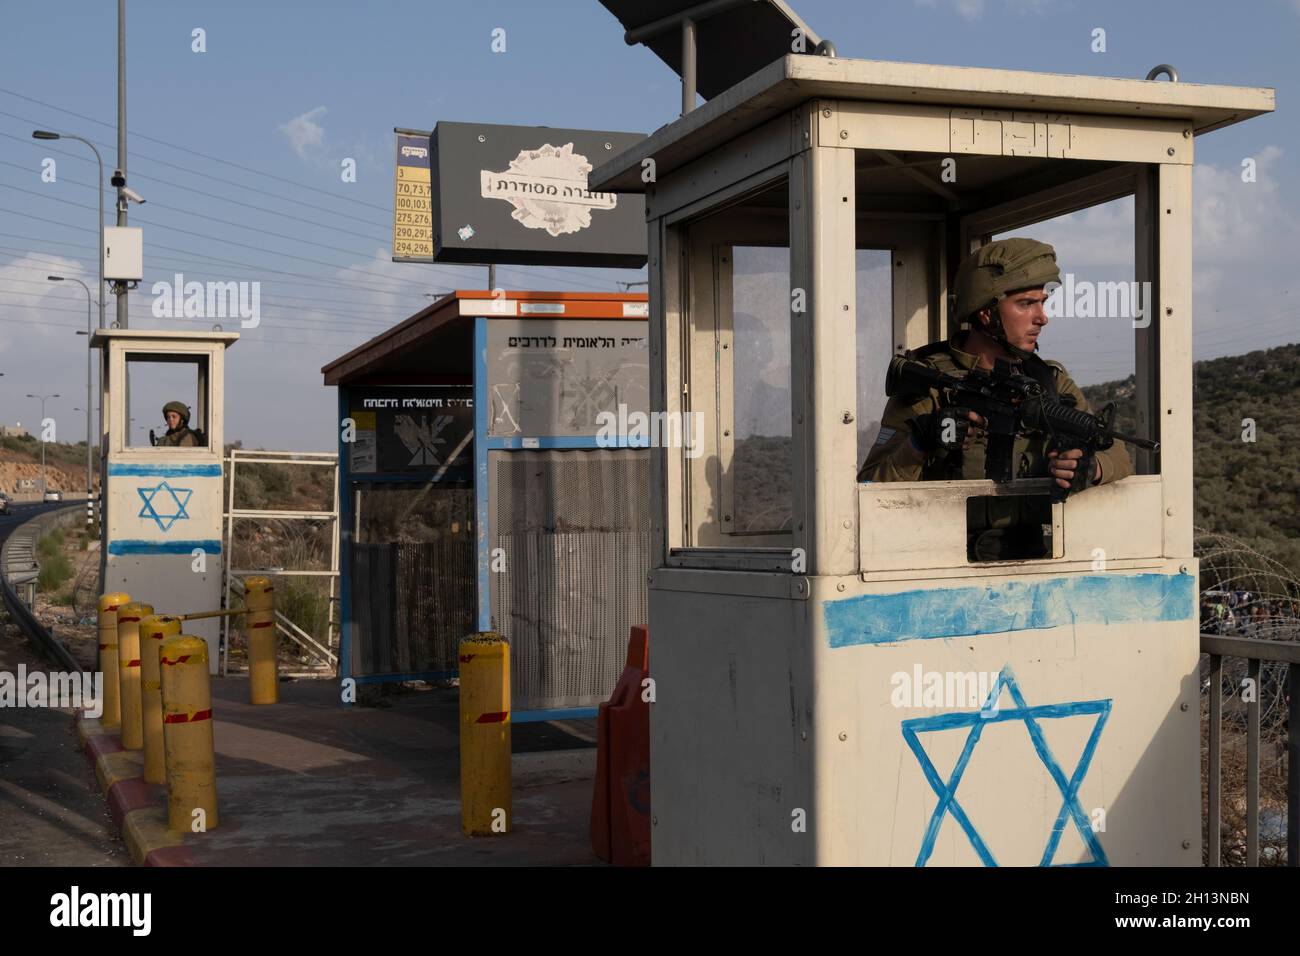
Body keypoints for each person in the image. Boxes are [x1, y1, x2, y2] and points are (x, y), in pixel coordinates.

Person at [859, 238, 1134, 560]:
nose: (1042, 317)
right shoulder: (930, 383)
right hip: (940, 567)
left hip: (1035, 566)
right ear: (986, 313)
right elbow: (869, 488)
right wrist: (921, 441)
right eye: (1026, 304)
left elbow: (1118, 453)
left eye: (1043, 302)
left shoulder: (1050, 381)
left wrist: (1090, 467)